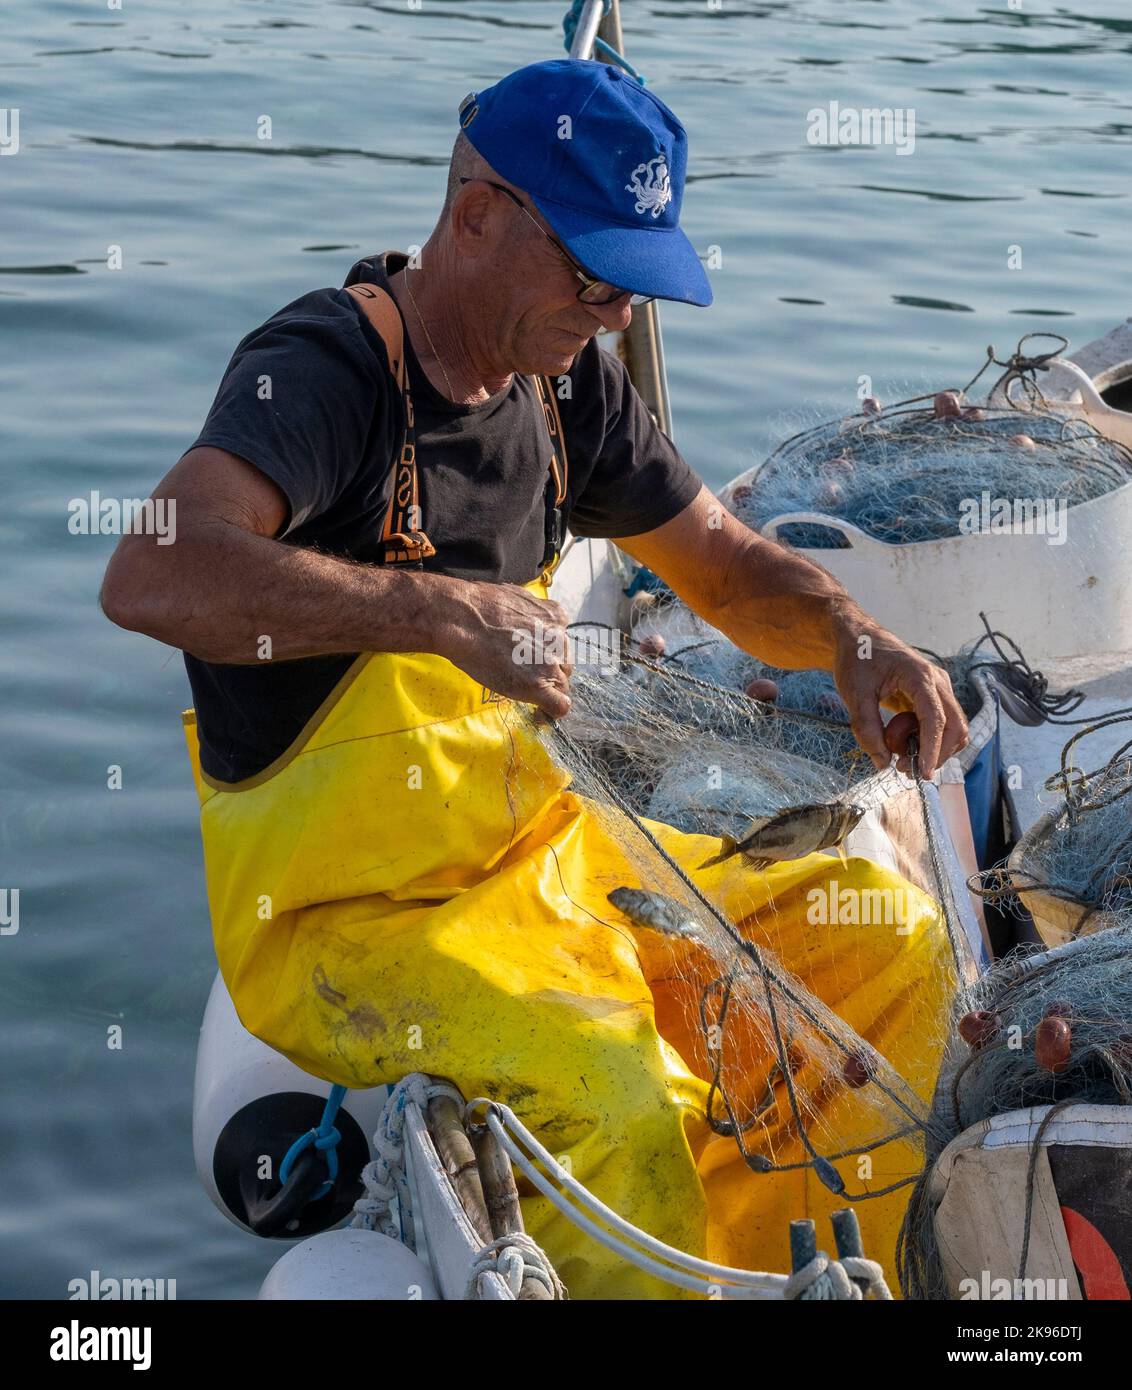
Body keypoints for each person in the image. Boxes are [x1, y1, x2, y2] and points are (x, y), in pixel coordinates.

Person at [102, 58, 967, 1297]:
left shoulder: (564, 386)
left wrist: (848, 635)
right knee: (607, 1084)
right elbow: (150, 573)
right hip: (350, 918)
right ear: (474, 218)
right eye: (593, 273)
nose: (616, 311)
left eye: (633, 286)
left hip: (544, 863)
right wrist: (432, 610)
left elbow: (718, 563)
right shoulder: (325, 375)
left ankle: (816, 1271)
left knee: (881, 938)